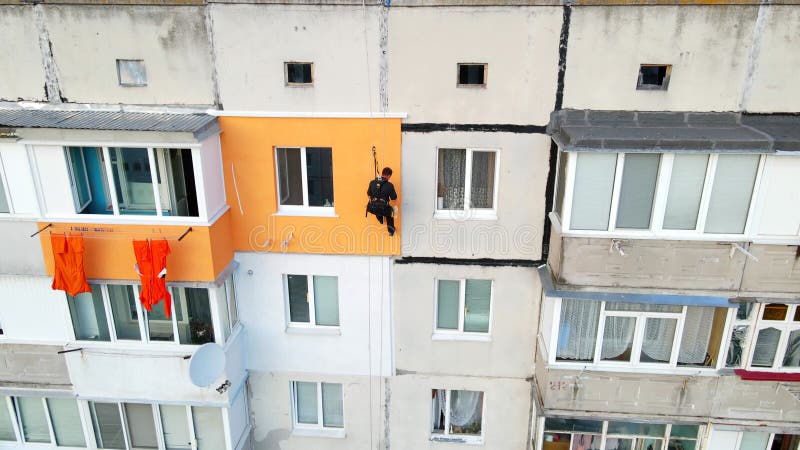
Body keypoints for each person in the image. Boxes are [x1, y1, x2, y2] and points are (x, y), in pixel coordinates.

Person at [367, 167, 398, 236]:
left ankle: (380, 219)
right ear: (389, 175)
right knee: (390, 213)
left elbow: (369, 195)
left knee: (376, 208)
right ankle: (391, 231)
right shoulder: (389, 185)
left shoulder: (372, 182)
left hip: (373, 208)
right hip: (384, 208)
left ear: (382, 173)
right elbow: (394, 198)